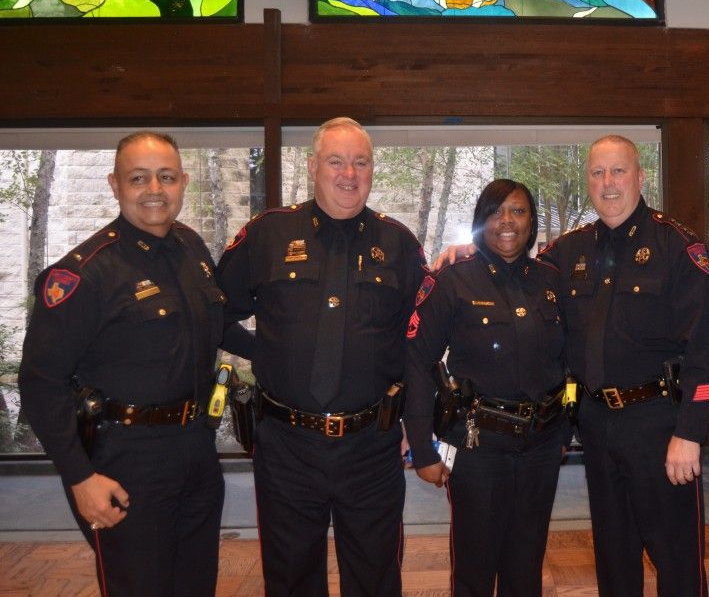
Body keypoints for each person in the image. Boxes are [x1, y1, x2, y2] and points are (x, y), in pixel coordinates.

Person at [215, 117, 427, 597]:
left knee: (376, 578)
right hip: (288, 445)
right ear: (313, 166)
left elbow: (422, 338)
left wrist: (416, 425)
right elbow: (214, 313)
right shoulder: (269, 234)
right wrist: (264, 350)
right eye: (336, 161)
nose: (348, 173)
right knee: (290, 578)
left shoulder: (398, 243)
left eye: (360, 162)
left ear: (372, 169)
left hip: (372, 447)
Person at [19, 132, 229, 596]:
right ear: (115, 184)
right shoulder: (84, 273)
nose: (154, 189)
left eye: (166, 176)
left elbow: (217, 326)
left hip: (195, 451)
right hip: (125, 462)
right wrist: (79, 477)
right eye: (139, 177)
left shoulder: (191, 248)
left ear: (183, 182)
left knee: (195, 586)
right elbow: (39, 382)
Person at [538, 135, 709, 596]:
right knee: (613, 556)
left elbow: (704, 349)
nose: (608, 183)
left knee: (676, 557)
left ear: (640, 177)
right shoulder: (569, 251)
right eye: (598, 173)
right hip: (597, 424)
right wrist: (463, 257)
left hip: (659, 425)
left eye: (618, 171)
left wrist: (691, 432)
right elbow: (516, 277)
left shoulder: (678, 246)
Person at [405, 178, 569, 596]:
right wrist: (423, 450)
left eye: (518, 211)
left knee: (526, 565)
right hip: (479, 449)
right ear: (481, 221)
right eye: (496, 212)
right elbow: (418, 363)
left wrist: (566, 431)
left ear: (532, 222)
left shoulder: (551, 280)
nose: (507, 221)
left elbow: (567, 363)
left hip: (541, 446)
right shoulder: (452, 280)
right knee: (474, 571)